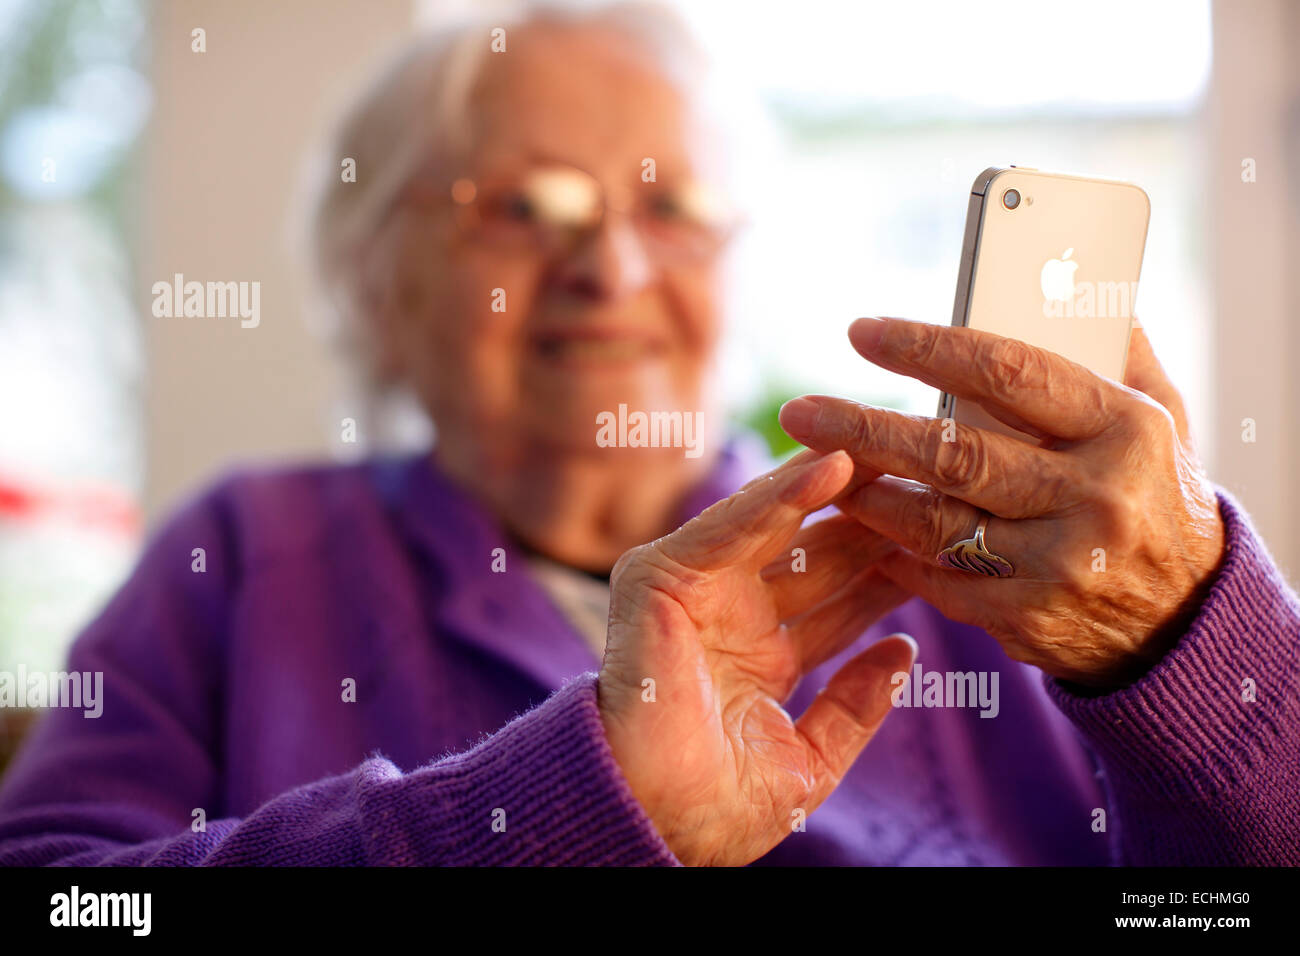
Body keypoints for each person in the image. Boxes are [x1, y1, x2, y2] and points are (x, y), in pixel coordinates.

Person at [1, 2, 1297, 867]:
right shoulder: (247, 550)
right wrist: (560, 808)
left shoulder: (979, 551)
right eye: (527, 205)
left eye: (672, 205)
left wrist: (1183, 645)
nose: (609, 264)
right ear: (377, 271)